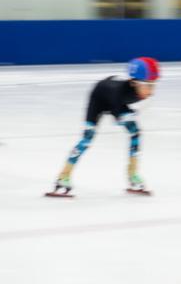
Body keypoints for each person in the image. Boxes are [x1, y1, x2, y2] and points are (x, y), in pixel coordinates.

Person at [46, 57, 161, 197]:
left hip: (116, 100)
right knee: (87, 138)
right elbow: (119, 116)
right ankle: (63, 178)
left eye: (153, 85)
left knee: (135, 133)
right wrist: (129, 114)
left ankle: (133, 176)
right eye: (148, 86)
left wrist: (131, 113)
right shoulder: (119, 92)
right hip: (99, 98)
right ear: (134, 83)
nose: (151, 92)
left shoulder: (137, 90)